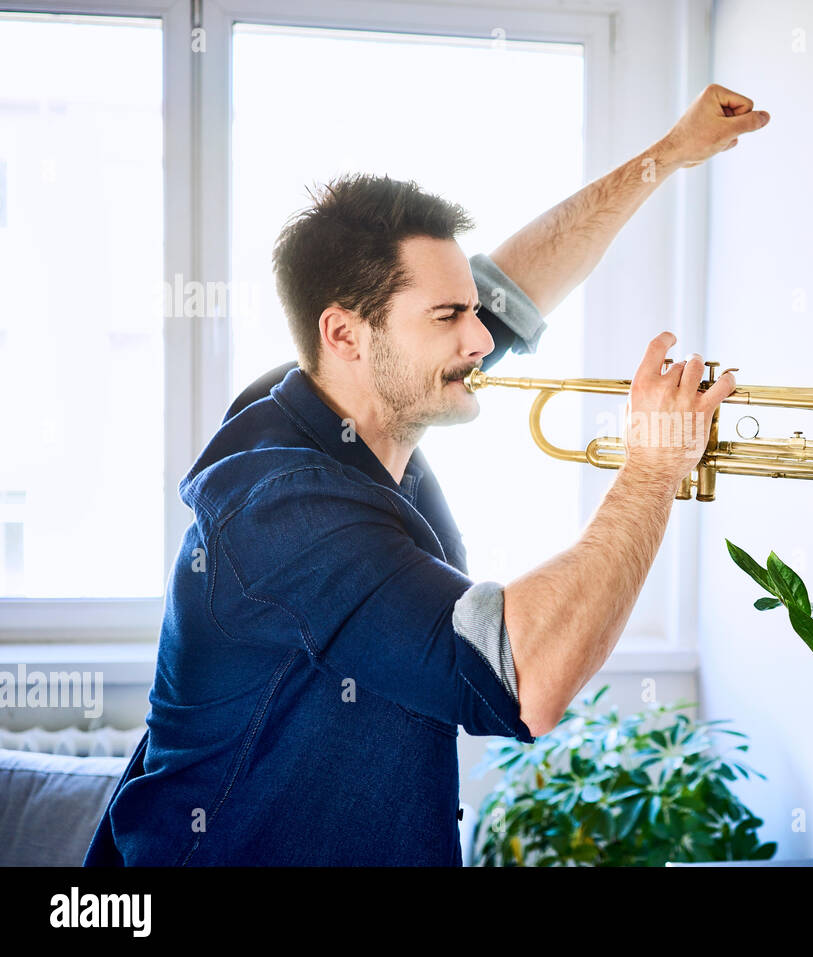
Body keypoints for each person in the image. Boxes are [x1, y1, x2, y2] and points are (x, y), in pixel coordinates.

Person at [84, 85, 770, 865]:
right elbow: (524, 680)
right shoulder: (282, 508)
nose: (482, 337)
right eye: (449, 317)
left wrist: (667, 157)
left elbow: (518, 280)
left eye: (471, 310)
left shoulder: (345, 392)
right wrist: (653, 466)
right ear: (345, 332)